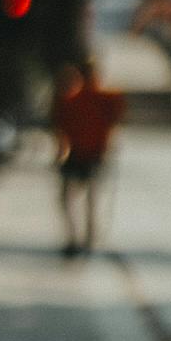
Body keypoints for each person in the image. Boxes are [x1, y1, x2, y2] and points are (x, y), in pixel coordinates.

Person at [51, 59, 125, 256]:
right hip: (83, 154)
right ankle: (80, 237)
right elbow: (62, 128)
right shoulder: (75, 98)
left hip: (89, 154)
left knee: (80, 198)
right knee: (79, 198)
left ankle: (83, 238)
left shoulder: (91, 97)